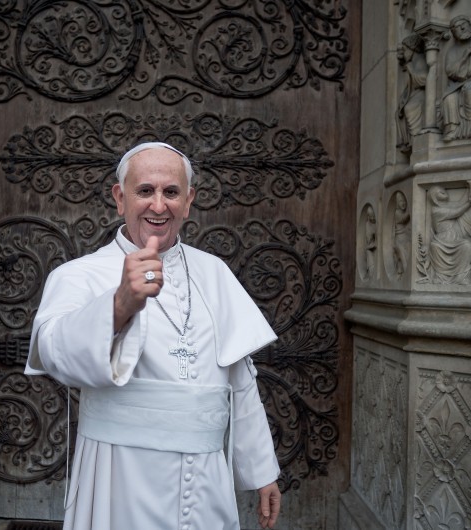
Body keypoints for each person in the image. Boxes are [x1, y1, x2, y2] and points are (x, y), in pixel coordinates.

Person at [26, 142, 282, 529]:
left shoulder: (214, 272)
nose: (159, 206)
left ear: (188, 201)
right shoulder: (79, 275)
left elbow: (240, 379)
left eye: (171, 192)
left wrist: (262, 470)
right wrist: (119, 305)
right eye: (145, 190)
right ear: (120, 198)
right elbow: (52, 349)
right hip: (119, 477)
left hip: (206, 481)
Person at [426, 180, 471, 284]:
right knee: (435, 246)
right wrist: (470, 203)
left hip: (455, 238)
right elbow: (456, 212)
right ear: (434, 197)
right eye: (441, 192)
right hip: (442, 240)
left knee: (467, 246)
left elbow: (459, 203)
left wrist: (469, 187)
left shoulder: (447, 206)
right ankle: (441, 278)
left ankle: (462, 277)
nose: (445, 192)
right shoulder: (436, 211)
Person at [396, 33, 427, 150]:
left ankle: (417, 139)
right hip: (414, 93)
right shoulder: (412, 61)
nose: (404, 53)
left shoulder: (420, 60)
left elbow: (424, 80)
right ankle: (410, 140)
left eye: (405, 50)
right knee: (400, 111)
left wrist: (412, 70)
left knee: (409, 108)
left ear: (412, 49)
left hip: (421, 94)